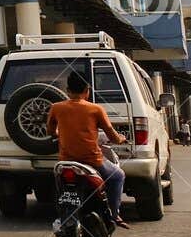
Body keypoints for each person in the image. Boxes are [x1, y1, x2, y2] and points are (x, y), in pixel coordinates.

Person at [46, 70, 130, 228]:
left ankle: (63, 214)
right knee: (118, 176)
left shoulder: (56, 108)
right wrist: (121, 139)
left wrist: (60, 133)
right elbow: (112, 135)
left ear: (68, 91)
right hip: (92, 160)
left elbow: (50, 131)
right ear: (87, 91)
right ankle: (114, 214)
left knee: (59, 185)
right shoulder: (96, 109)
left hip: (66, 160)